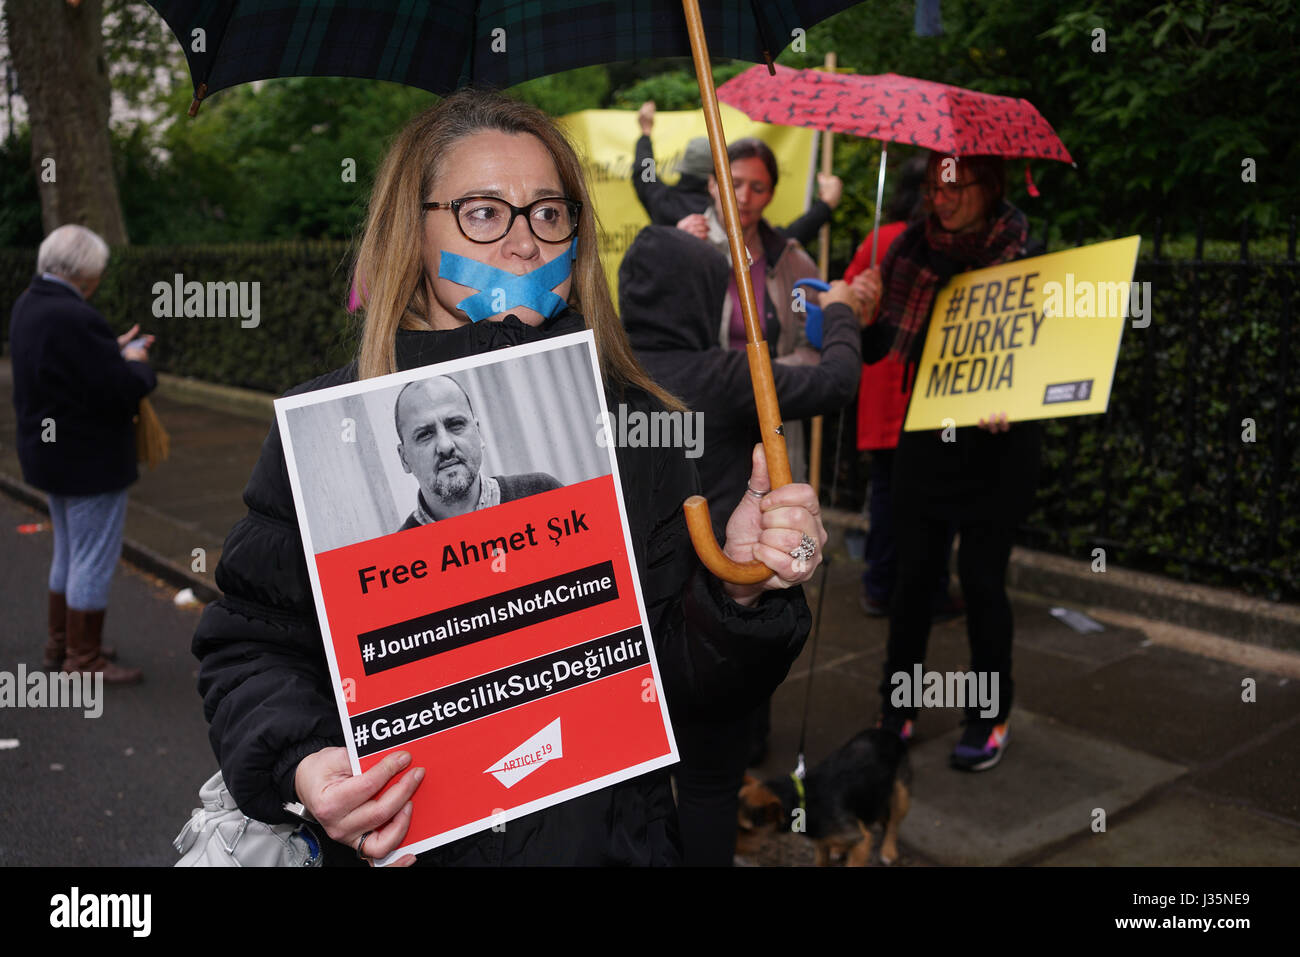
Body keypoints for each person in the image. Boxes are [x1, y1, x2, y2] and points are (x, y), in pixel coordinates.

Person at [192, 89, 829, 867]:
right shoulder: (319, 422)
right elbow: (248, 649)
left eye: (549, 213)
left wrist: (738, 590)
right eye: (484, 212)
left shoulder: (631, 420)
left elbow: (686, 686)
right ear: (411, 227)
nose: (526, 243)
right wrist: (304, 763)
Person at [621, 223, 864, 864]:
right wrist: (839, 314)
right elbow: (836, 383)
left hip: (618, 622)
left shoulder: (590, 374)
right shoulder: (726, 376)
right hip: (712, 619)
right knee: (708, 786)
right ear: (705, 300)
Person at [852, 152, 1042, 772]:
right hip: (930, 437)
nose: (944, 198)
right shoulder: (908, 250)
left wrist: (1012, 397)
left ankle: (990, 715)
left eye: (957, 186)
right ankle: (896, 709)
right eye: (936, 185)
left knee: (984, 584)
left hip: (1001, 446)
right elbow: (882, 350)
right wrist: (867, 310)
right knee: (913, 582)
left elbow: (1046, 352)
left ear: (991, 186)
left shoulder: (1023, 253)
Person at [9, 224, 157, 684]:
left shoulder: (30, 304)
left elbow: (64, 369)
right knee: (92, 556)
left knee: (68, 552)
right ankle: (84, 658)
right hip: (89, 460)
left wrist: (109, 351)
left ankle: (62, 643)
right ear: (85, 273)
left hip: (48, 456)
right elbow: (115, 390)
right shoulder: (76, 316)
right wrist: (135, 364)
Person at [843, 155, 963, 622]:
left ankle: (878, 584)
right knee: (936, 499)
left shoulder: (880, 241)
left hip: (882, 388)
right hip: (931, 394)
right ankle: (928, 590)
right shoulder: (944, 245)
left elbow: (847, 305)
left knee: (887, 493)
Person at [633, 100, 841, 246]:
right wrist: (826, 205)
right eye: (736, 184)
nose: (744, 197)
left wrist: (646, 132)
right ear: (713, 183)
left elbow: (644, 173)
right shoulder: (724, 215)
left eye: (757, 187)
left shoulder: (662, 201)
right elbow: (787, 240)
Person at [393, 375, 559, 528]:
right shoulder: (400, 556)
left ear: (478, 434)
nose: (445, 446)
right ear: (404, 459)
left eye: (455, 424)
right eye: (425, 434)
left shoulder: (543, 496)